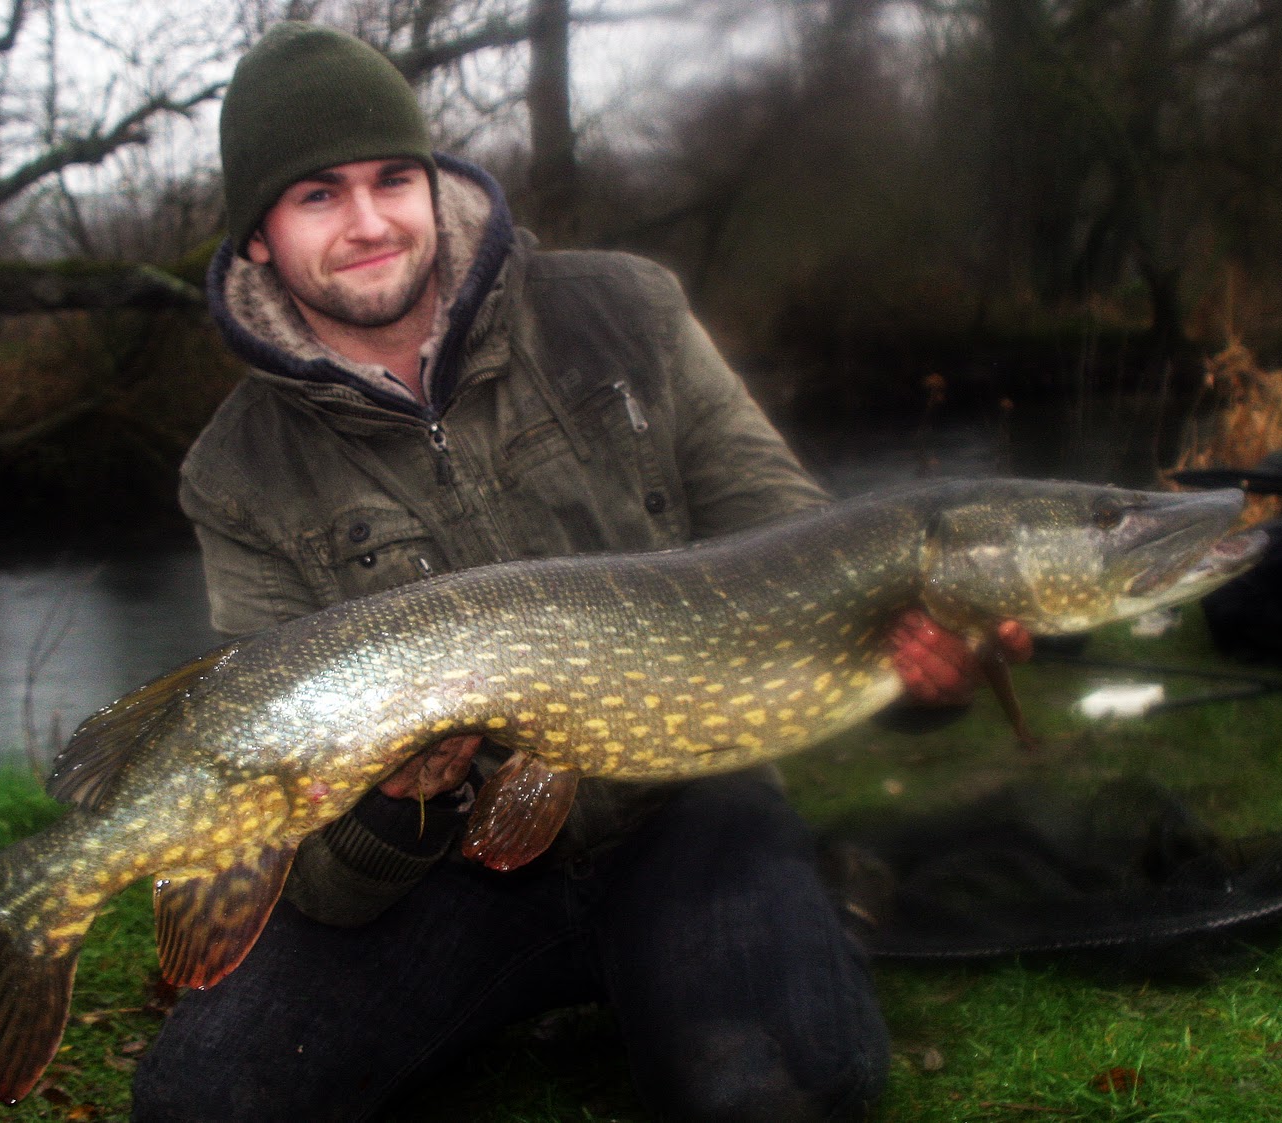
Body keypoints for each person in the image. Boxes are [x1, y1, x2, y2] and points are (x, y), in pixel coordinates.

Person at [131, 22, 1028, 1122]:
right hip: (444, 874)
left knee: (789, 1088)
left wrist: (920, 665)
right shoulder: (235, 473)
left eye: (390, 179)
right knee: (201, 1102)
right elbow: (320, 873)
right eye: (317, 196)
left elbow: (807, 551)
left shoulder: (625, 312)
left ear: (432, 183)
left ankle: (722, 947)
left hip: (686, 812)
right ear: (258, 238)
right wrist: (401, 807)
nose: (368, 223)